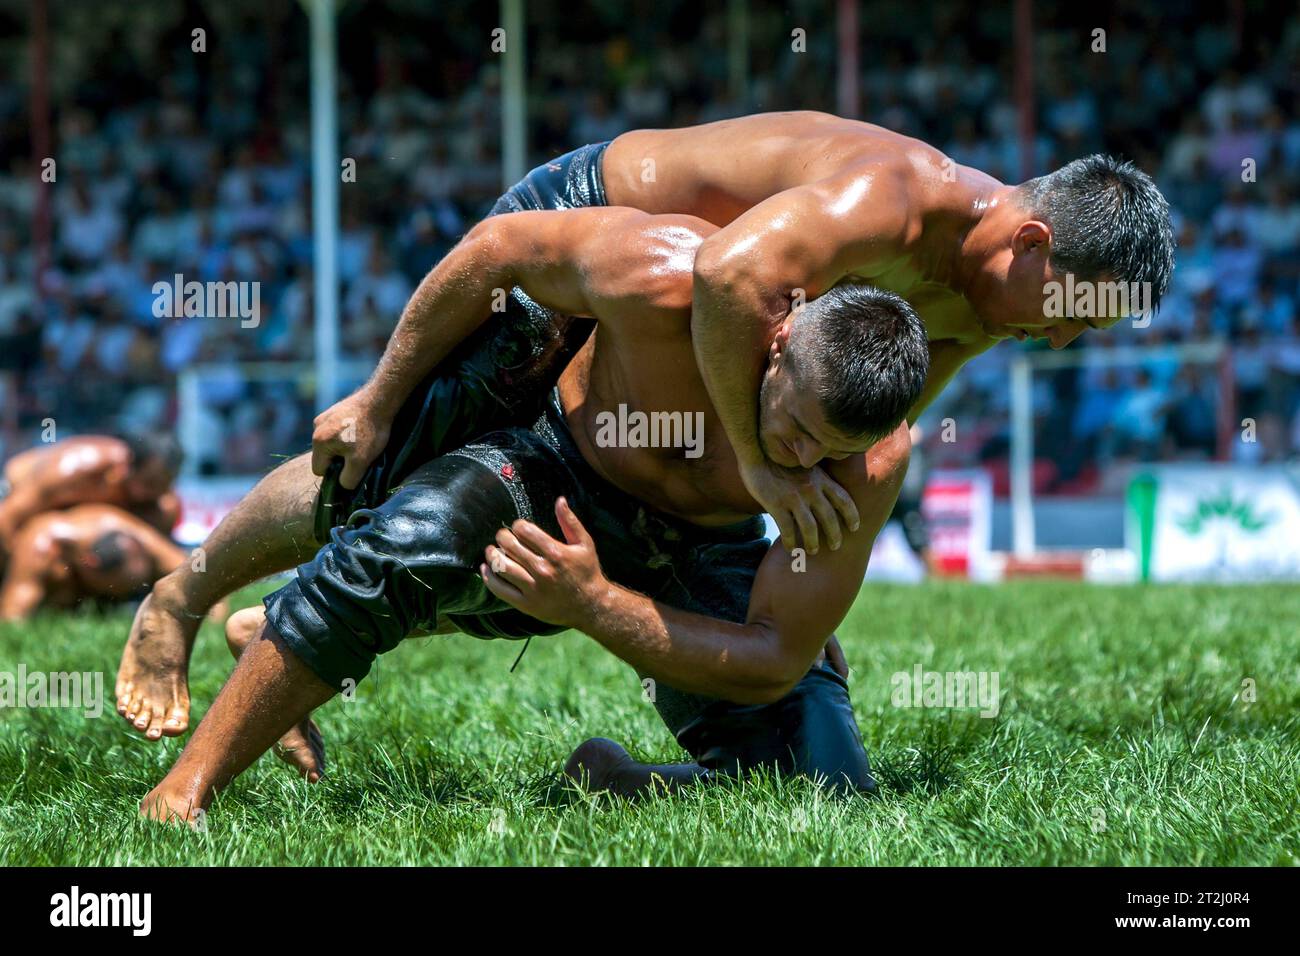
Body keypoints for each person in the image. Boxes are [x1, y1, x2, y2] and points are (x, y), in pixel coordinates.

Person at [136, 205, 927, 822]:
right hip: (559, 465)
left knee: (824, 786)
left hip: (706, 548)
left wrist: (592, 603)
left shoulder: (875, 459)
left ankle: (614, 777)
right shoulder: (665, 279)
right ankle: (183, 790)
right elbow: (499, 247)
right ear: (781, 338)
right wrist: (379, 398)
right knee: (399, 545)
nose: (798, 461)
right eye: (792, 428)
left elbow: (774, 656)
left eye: (823, 453)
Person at [0, 504, 188, 621]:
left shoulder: (139, 538)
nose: (125, 596)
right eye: (116, 590)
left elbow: (200, 576)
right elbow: (12, 619)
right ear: (91, 564)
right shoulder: (42, 548)